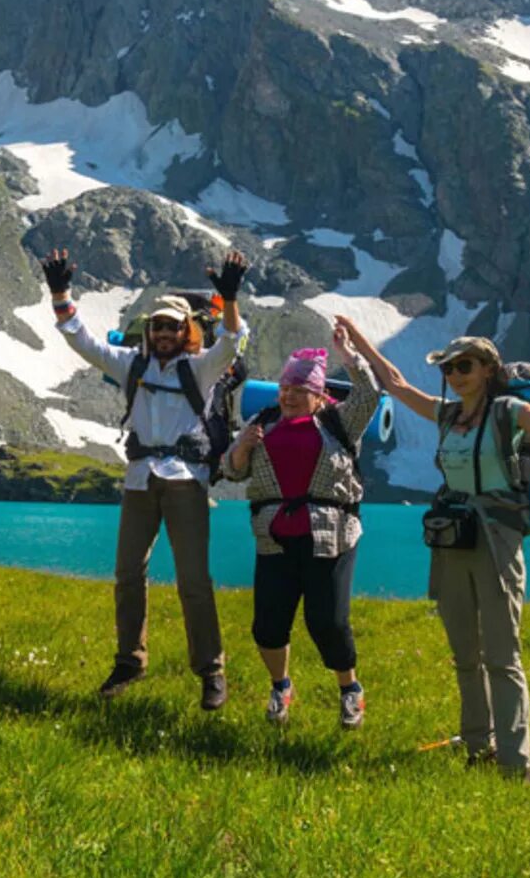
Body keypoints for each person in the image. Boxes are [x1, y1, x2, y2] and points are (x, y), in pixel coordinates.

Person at [340, 315, 530, 781]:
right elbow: (396, 382)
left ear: (488, 369)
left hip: (496, 537)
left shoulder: (508, 411)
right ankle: (476, 748)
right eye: (448, 368)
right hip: (452, 537)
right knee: (465, 652)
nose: (454, 375)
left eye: (464, 366)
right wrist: (358, 343)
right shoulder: (447, 413)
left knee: (501, 656)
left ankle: (516, 765)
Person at [43, 247, 248, 710]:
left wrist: (229, 300)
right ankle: (130, 660)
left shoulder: (202, 367)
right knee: (126, 574)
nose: (163, 333)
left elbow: (233, 342)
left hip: (185, 480)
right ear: (149, 331)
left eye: (172, 326)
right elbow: (82, 341)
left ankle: (211, 669)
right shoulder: (130, 366)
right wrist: (60, 293)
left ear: (186, 331)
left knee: (194, 579)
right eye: (156, 326)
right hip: (138, 480)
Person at [221, 329, 381, 728]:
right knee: (268, 625)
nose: (288, 395)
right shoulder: (264, 422)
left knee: (327, 622)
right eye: (284, 387)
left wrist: (349, 354)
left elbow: (369, 396)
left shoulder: (338, 421)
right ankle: (281, 687)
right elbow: (231, 470)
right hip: (274, 538)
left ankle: (350, 690)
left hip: (331, 536)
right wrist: (241, 447)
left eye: (298, 388)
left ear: (318, 392)